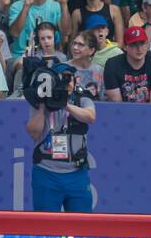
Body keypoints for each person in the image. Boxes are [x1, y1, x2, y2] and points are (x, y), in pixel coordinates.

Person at [25, 60, 97, 212]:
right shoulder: (40, 97)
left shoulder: (82, 95)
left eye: (69, 77)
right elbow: (33, 132)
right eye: (62, 77)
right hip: (46, 173)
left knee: (83, 227)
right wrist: (42, 107)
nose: (67, 82)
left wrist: (65, 104)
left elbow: (90, 117)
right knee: (46, 229)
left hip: (77, 173)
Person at [104, 25, 151, 102]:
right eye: (134, 44)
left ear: (147, 44)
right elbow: (117, 105)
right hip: (123, 112)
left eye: (142, 43)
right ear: (125, 47)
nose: (139, 49)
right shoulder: (112, 65)